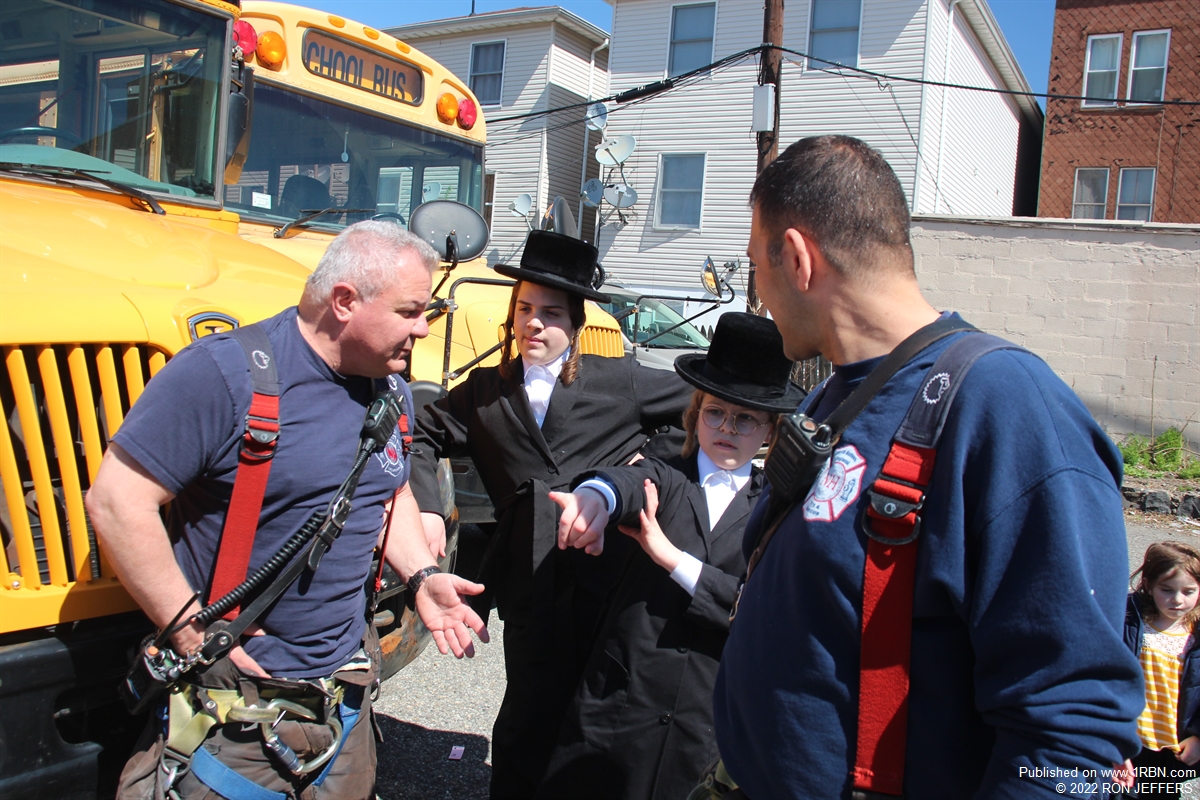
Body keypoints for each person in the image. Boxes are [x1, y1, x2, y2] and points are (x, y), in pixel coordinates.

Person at [708, 135, 1144, 798]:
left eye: (754, 267)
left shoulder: (1006, 407)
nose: (756, 294)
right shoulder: (839, 392)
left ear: (796, 258)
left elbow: (1070, 731)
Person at [85, 220, 488, 800]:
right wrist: (192, 635)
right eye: (410, 312)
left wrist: (420, 574)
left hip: (343, 701)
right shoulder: (224, 375)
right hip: (234, 711)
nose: (423, 329)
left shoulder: (390, 389)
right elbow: (118, 501)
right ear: (345, 302)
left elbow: (389, 489)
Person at [408, 229, 692, 798]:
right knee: (526, 715)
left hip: (607, 578)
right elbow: (417, 432)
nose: (534, 323)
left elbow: (702, 413)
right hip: (529, 582)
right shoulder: (486, 391)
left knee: (597, 712)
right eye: (524, 309)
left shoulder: (622, 383)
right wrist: (425, 505)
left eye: (551, 313)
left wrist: (643, 468)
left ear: (577, 324)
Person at [539, 312, 802, 800]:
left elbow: (758, 608)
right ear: (695, 411)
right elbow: (627, 484)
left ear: (769, 431)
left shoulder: (778, 510)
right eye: (715, 412)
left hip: (702, 728)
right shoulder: (666, 471)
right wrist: (594, 498)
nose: (727, 427)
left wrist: (670, 557)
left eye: (745, 418)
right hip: (621, 710)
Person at [1121, 542, 1200, 798]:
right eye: (1166, 589)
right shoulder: (1127, 622)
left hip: (1173, 749)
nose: (1177, 600)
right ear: (1148, 584)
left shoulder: (1196, 634)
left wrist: (1199, 736)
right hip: (1127, 742)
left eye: (1189, 591)